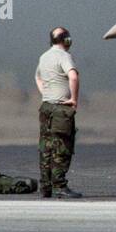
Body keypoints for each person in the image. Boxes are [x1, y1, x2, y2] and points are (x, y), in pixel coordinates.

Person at [34, 27, 82, 199]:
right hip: (61, 108)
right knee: (62, 147)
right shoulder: (64, 56)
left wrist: (46, 93)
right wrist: (74, 99)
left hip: (46, 106)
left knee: (45, 147)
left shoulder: (44, 56)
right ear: (66, 40)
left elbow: (38, 77)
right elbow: (73, 77)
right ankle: (59, 185)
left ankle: (45, 186)